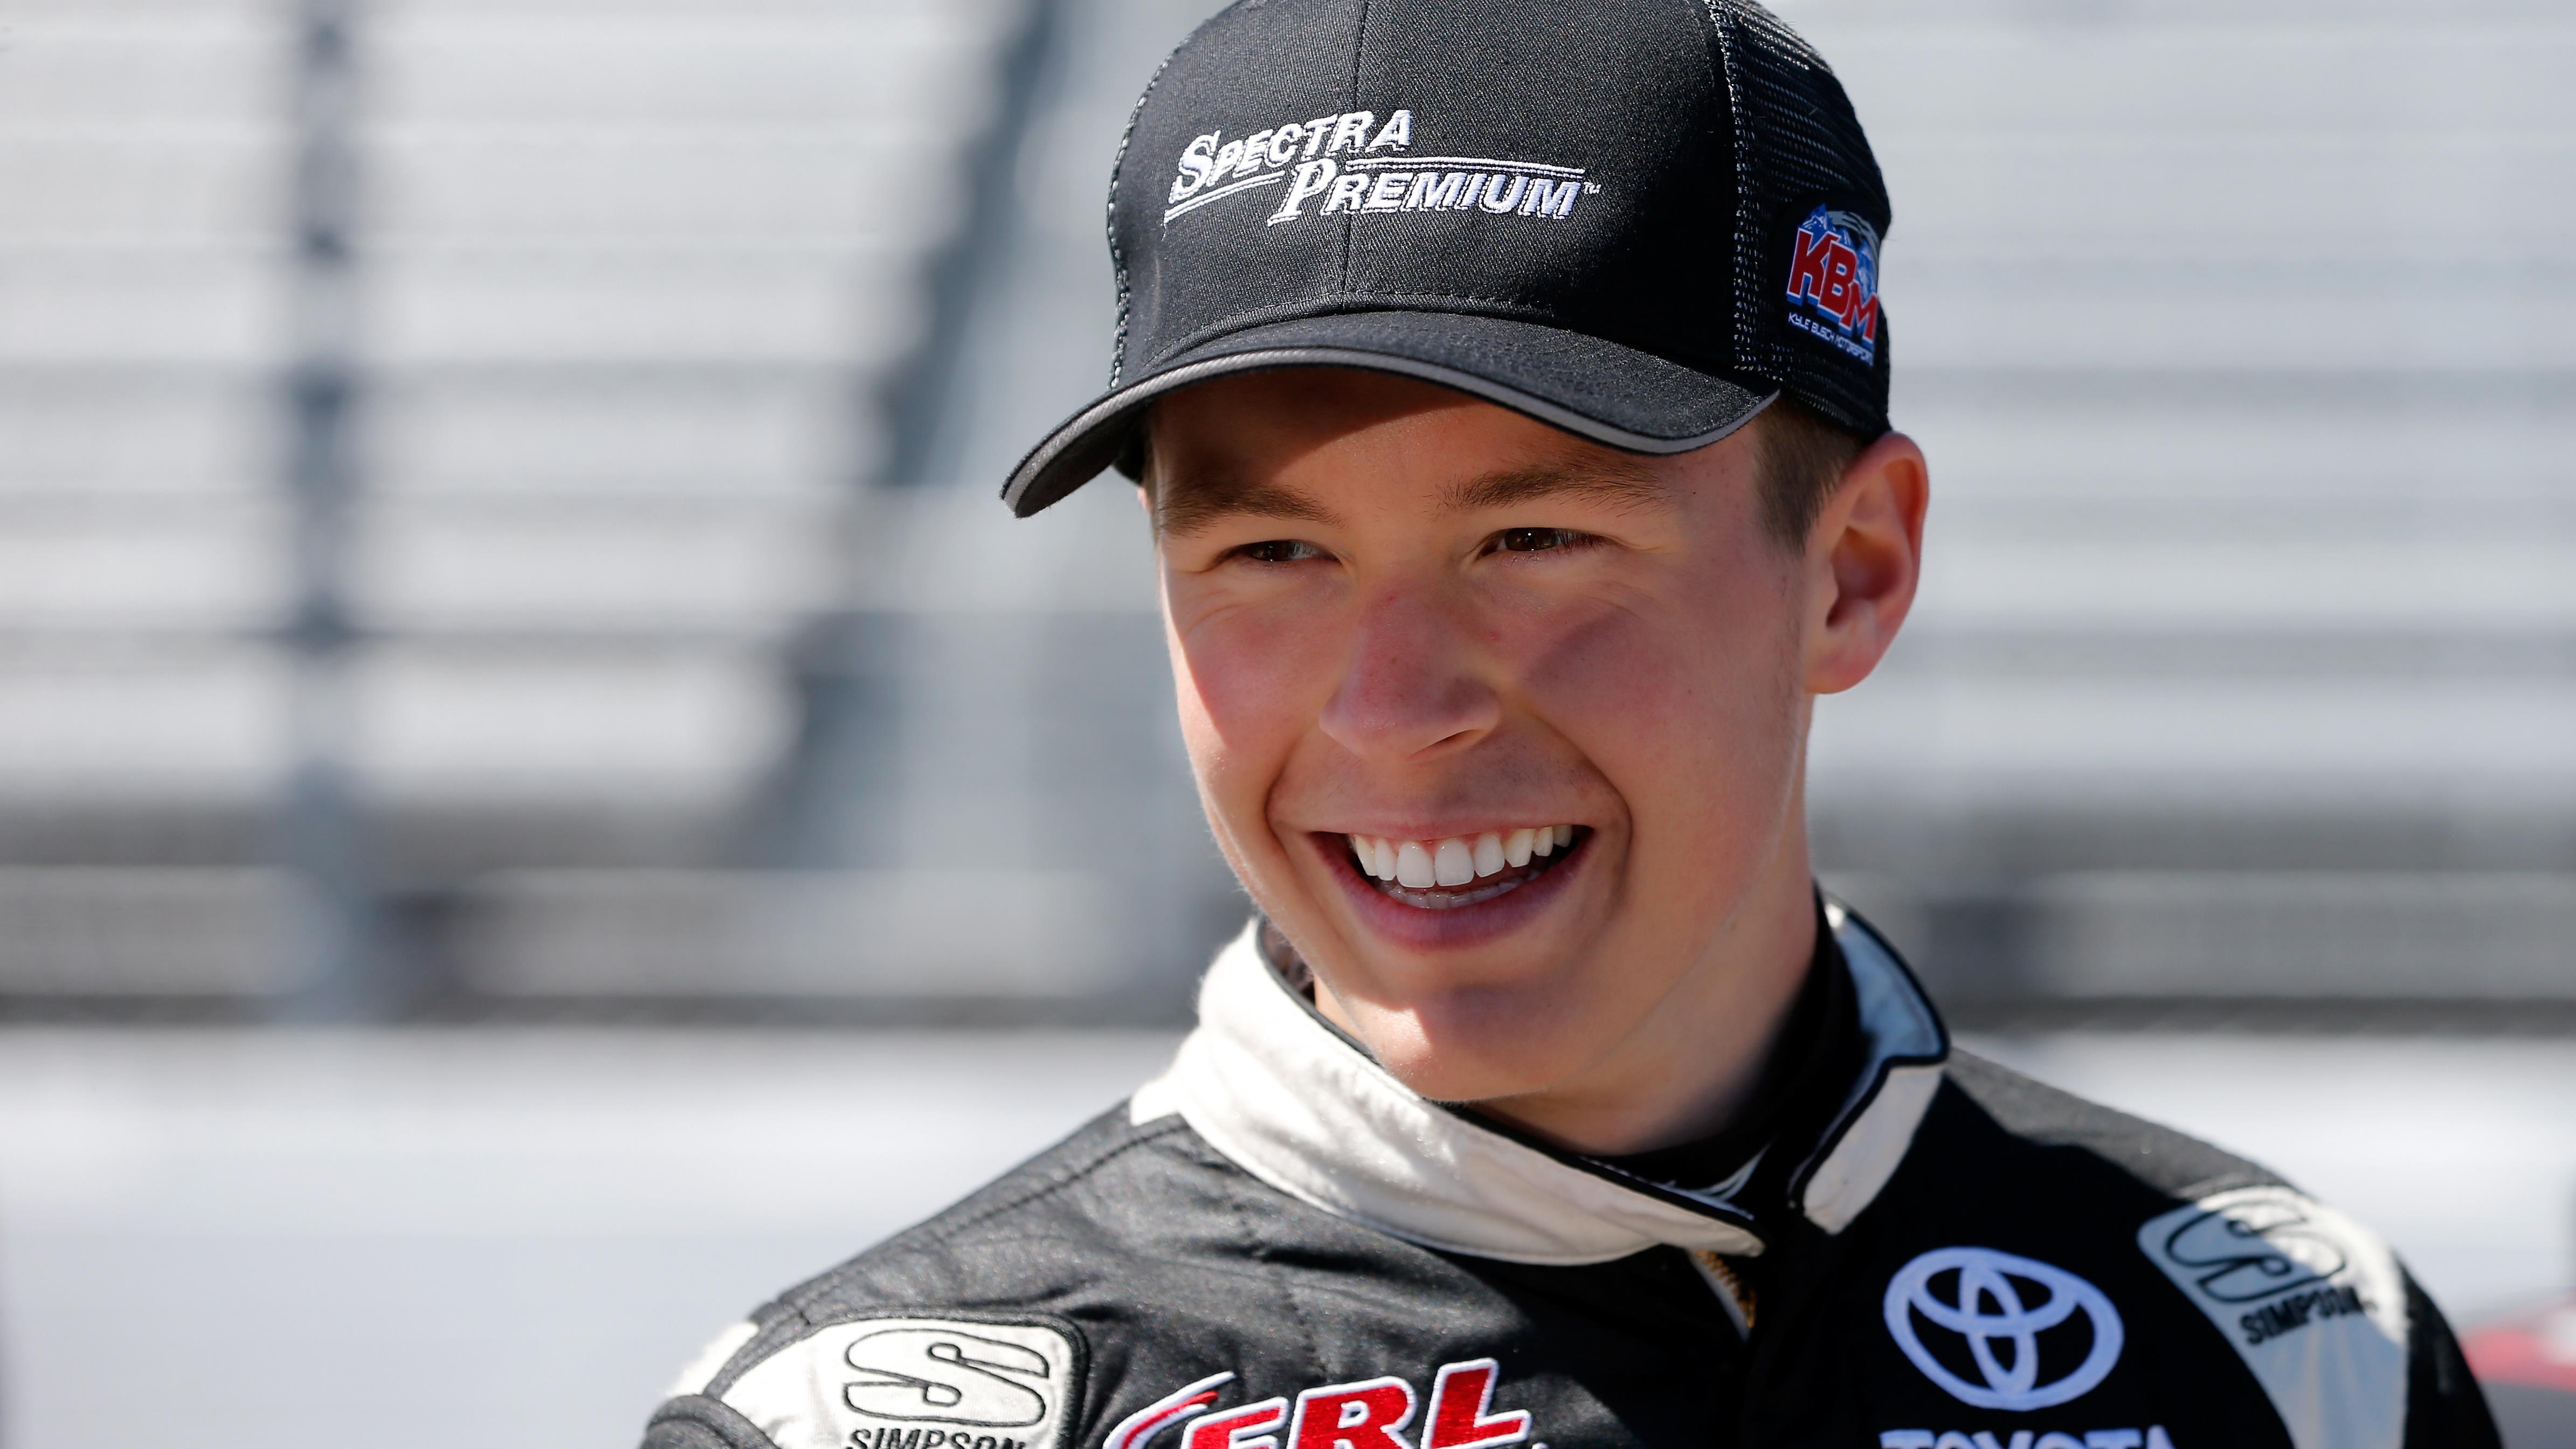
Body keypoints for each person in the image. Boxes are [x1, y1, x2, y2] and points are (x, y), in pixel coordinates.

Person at [640, 1, 2499, 1446]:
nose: (1392, 710)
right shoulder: (858, 1412)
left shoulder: (2292, 1346)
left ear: (1849, 570)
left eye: (1530, 540)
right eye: (1269, 552)